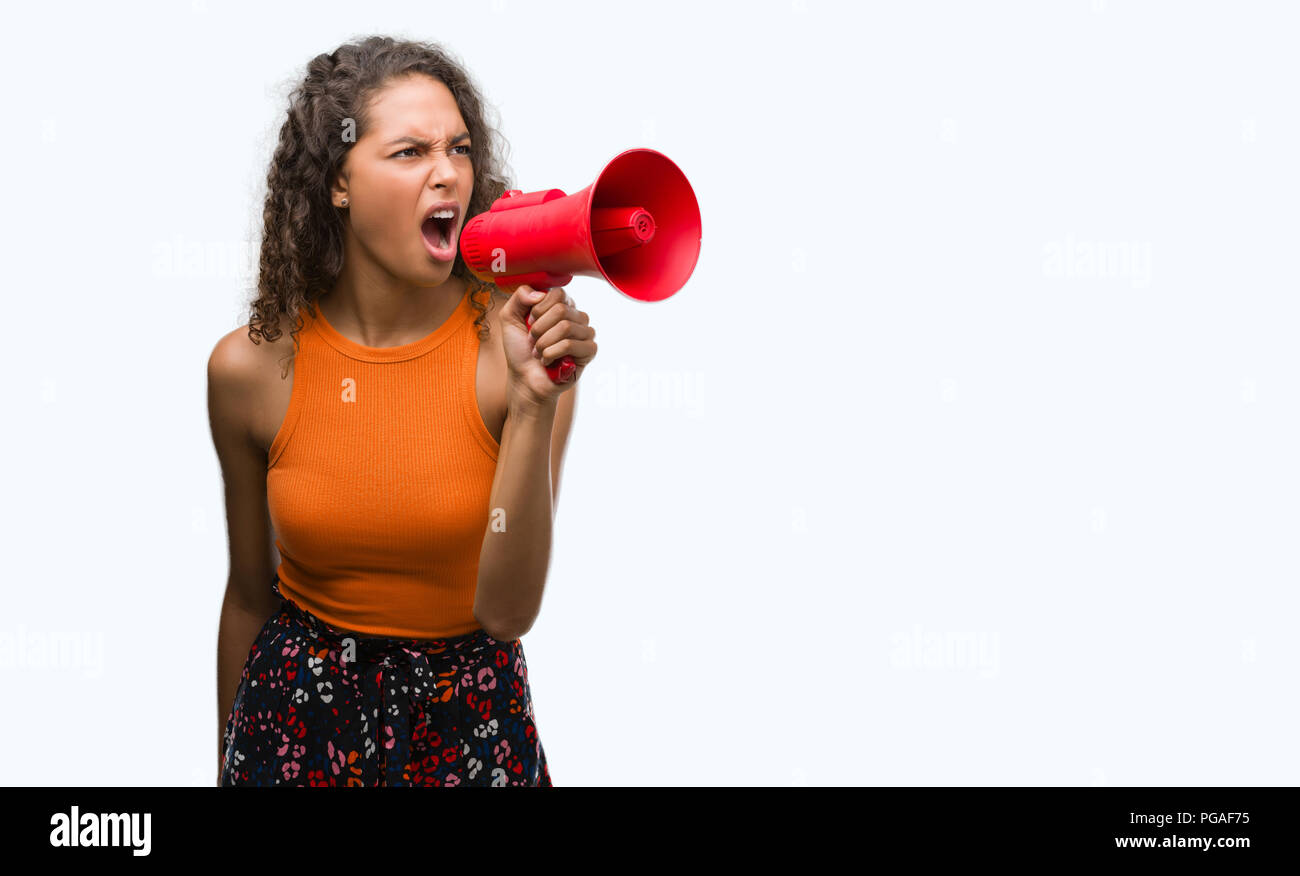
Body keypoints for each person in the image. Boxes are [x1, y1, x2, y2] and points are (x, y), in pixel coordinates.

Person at [207, 36, 596, 786]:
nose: (447, 171)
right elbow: (249, 596)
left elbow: (508, 614)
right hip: (294, 727)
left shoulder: (516, 353)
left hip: (472, 731)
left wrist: (533, 403)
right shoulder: (248, 369)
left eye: (457, 147)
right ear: (337, 184)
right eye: (410, 152)